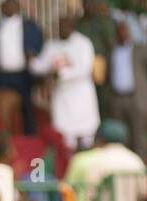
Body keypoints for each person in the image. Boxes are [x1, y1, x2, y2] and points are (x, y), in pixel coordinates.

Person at [31, 15, 101, 150]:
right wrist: (31, 62)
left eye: (66, 26)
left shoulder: (83, 43)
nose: (62, 29)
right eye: (60, 26)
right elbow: (41, 65)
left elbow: (84, 69)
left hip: (80, 94)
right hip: (62, 96)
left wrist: (60, 73)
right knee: (64, 135)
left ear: (72, 27)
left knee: (85, 134)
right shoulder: (52, 45)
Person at [63, 119, 147, 201]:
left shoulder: (98, 161)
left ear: (101, 139)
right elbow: (143, 193)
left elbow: (89, 196)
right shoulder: (135, 160)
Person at [0, 0, 44, 135]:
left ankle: (30, 137)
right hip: (2, 75)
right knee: (2, 107)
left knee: (27, 107)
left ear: (17, 6)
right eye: (5, 5)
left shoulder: (29, 25)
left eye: (11, 4)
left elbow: (37, 45)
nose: (8, 7)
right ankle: (5, 138)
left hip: (22, 74)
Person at [105, 19, 147, 161]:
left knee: (139, 136)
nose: (122, 33)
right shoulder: (112, 50)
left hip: (137, 98)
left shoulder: (141, 49)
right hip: (118, 98)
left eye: (124, 30)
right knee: (120, 137)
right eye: (119, 31)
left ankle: (142, 170)